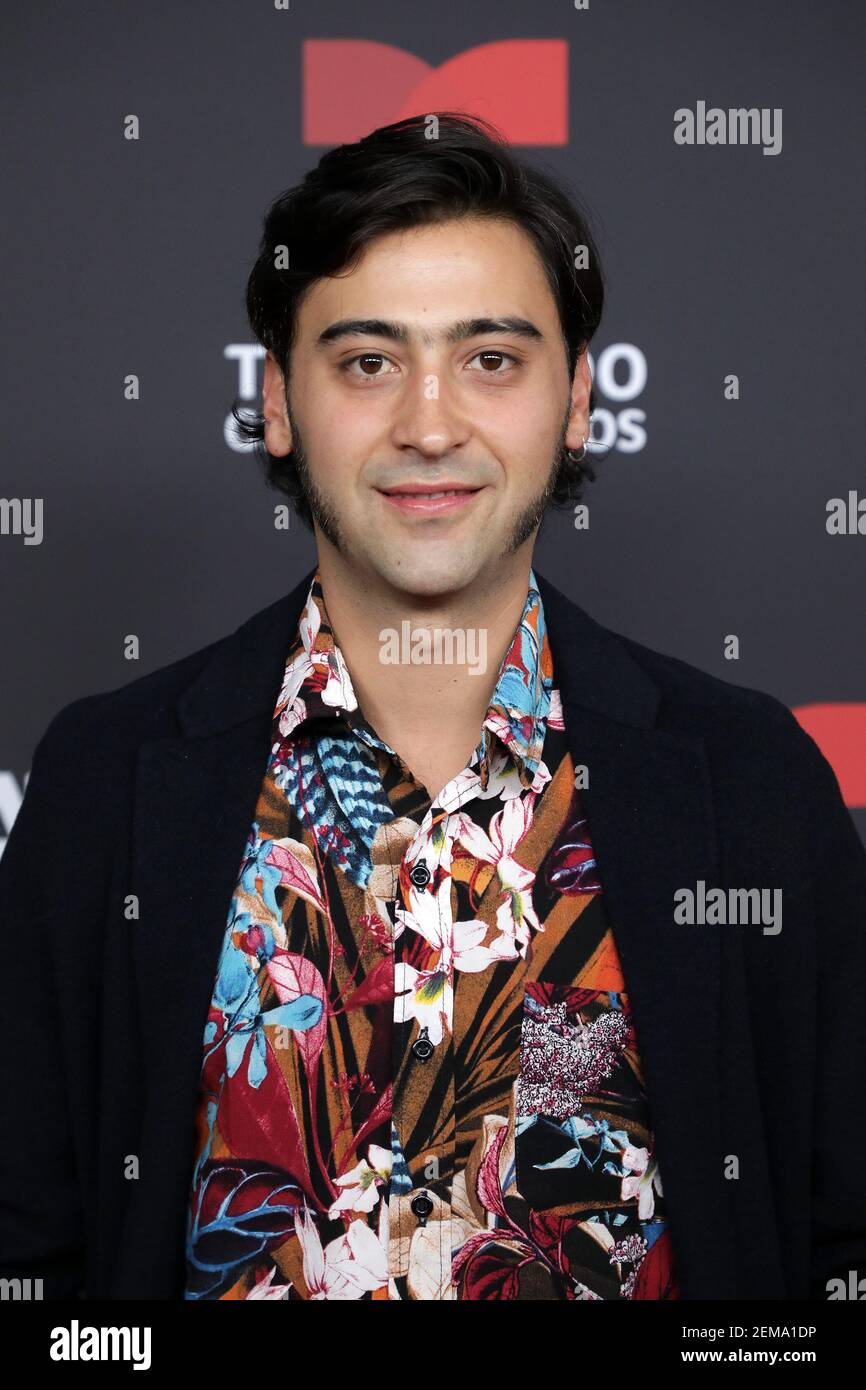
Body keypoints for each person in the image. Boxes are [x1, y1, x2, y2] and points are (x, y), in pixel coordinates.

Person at [1, 112, 863, 1302]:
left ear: (574, 401)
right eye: (366, 361)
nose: (428, 423)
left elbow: (836, 1240)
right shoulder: (106, 775)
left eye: (490, 359)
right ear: (279, 403)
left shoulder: (747, 776)